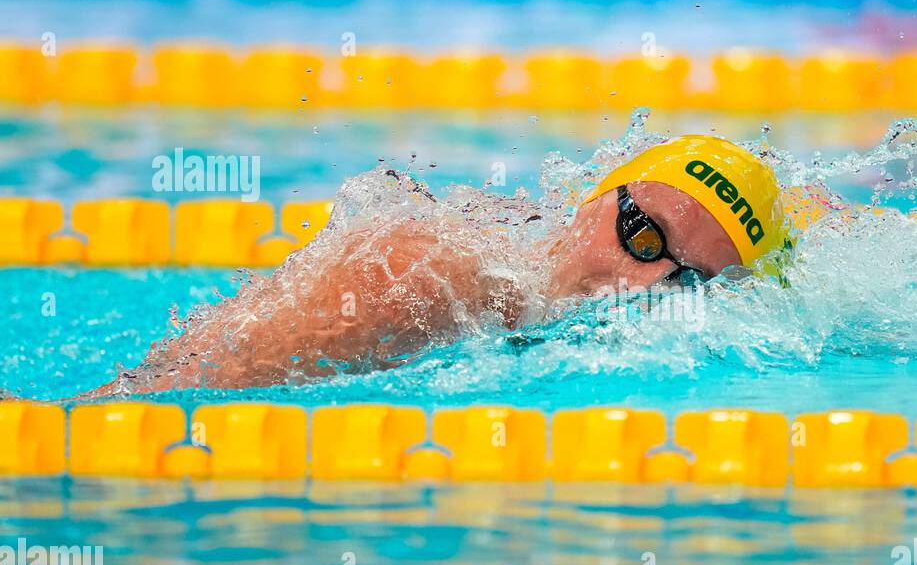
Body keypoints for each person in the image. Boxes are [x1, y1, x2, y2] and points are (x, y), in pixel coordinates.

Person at [90, 134, 790, 395]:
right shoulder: (416, 282)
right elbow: (151, 403)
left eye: (684, 281)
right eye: (642, 237)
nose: (641, 282)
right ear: (596, 194)